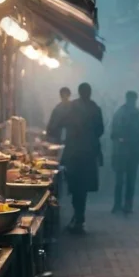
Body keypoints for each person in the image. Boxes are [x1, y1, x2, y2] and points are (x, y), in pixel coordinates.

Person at [59, 83, 104, 234]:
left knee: (75, 185)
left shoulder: (72, 107)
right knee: (82, 187)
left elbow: (62, 123)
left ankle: (78, 217)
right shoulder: (95, 108)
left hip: (74, 152)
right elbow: (100, 130)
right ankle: (79, 216)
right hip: (88, 153)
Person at [110, 90, 139, 214]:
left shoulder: (119, 113)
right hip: (131, 149)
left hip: (122, 149)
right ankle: (126, 204)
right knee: (129, 179)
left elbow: (113, 133)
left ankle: (119, 204)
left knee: (122, 179)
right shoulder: (138, 114)